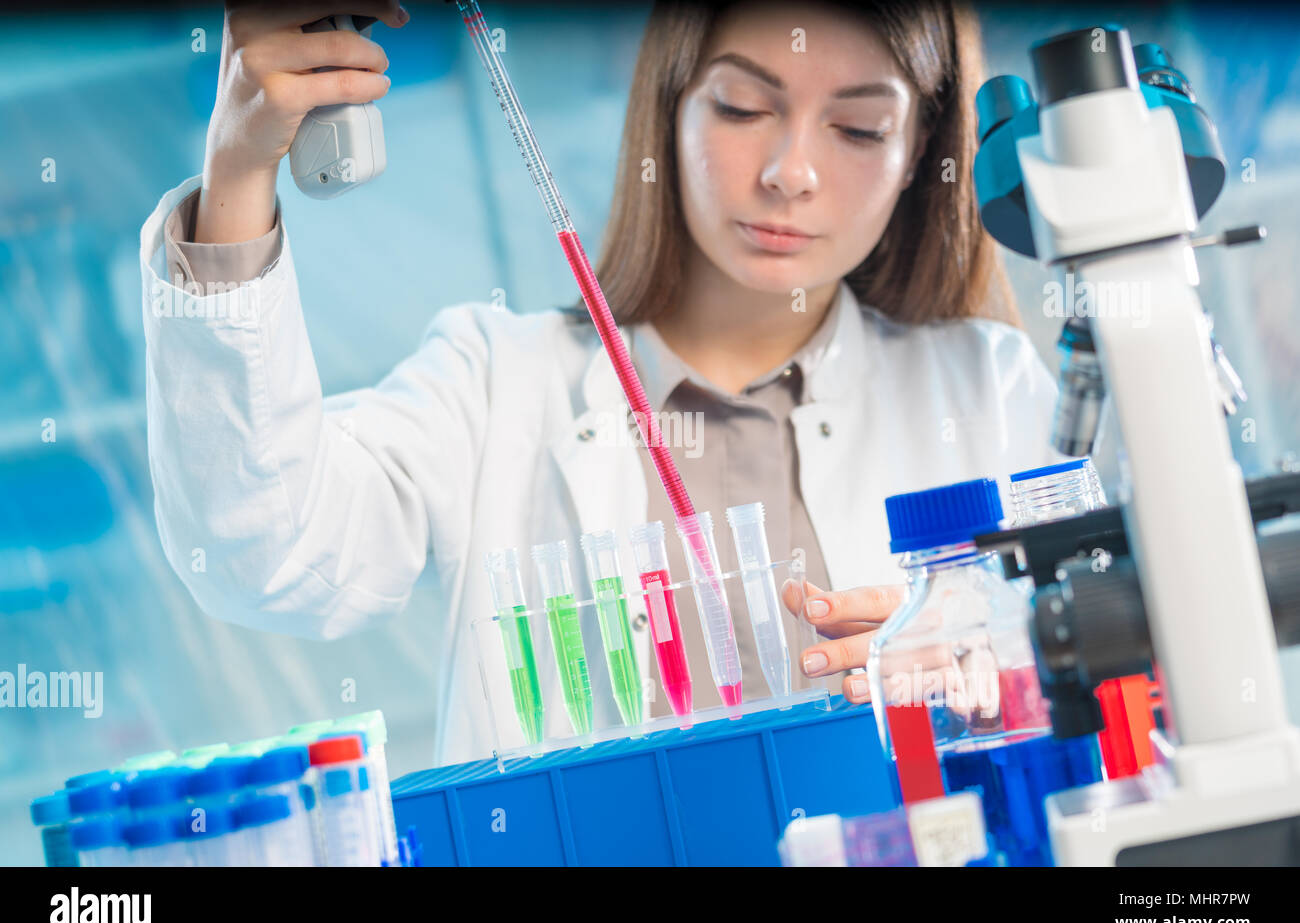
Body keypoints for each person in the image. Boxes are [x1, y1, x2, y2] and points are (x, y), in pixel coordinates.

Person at [140, 0, 1066, 765]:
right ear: (671, 107)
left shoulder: (988, 394)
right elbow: (262, 554)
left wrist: (995, 660)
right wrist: (238, 172)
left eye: (860, 127)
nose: (792, 173)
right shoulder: (495, 387)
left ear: (919, 156)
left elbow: (1120, 677)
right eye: (744, 108)